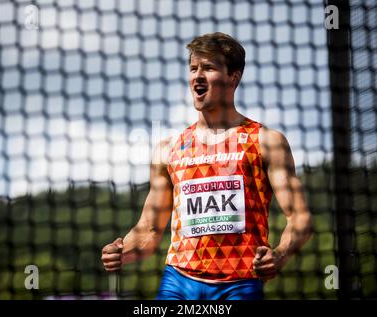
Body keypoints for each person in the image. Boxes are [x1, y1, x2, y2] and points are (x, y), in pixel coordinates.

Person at [101, 32, 313, 300]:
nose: (197, 76)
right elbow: (150, 229)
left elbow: (300, 218)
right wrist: (122, 250)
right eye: (193, 68)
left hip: (239, 282)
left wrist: (279, 255)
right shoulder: (169, 149)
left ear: (233, 78)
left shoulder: (265, 141)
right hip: (179, 280)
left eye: (209, 68)